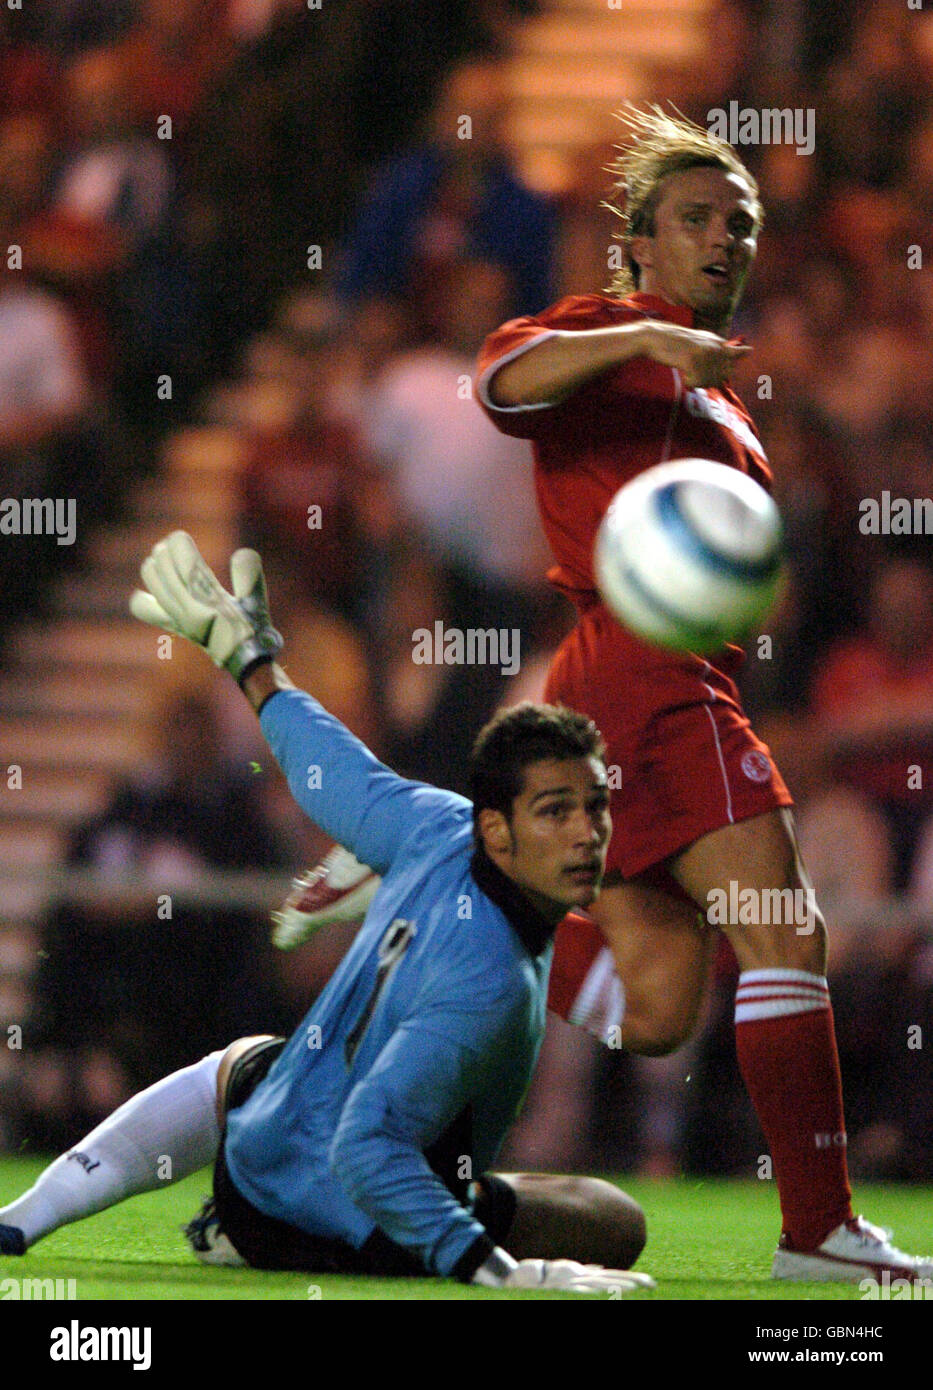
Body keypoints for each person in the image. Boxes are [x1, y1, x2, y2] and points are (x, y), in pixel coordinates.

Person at [290, 107, 933, 1282]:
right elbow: (498, 376)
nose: (724, 240)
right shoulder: (614, 333)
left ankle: (461, 919)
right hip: (648, 680)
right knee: (787, 930)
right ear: (635, 245)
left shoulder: (726, 400)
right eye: (695, 220)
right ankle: (818, 1234)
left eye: (738, 223)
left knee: (658, 1010)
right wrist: (641, 330)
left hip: (642, 684)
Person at [0, 532, 651, 1294]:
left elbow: (328, 770)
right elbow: (367, 1152)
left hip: (259, 1152)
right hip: (349, 1223)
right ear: (498, 830)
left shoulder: (436, 823)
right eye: (554, 811)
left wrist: (251, 664)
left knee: (251, 1064)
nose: (585, 832)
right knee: (604, 1220)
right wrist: (507, 1274)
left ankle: (26, 1215)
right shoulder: (489, 978)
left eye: (593, 807)